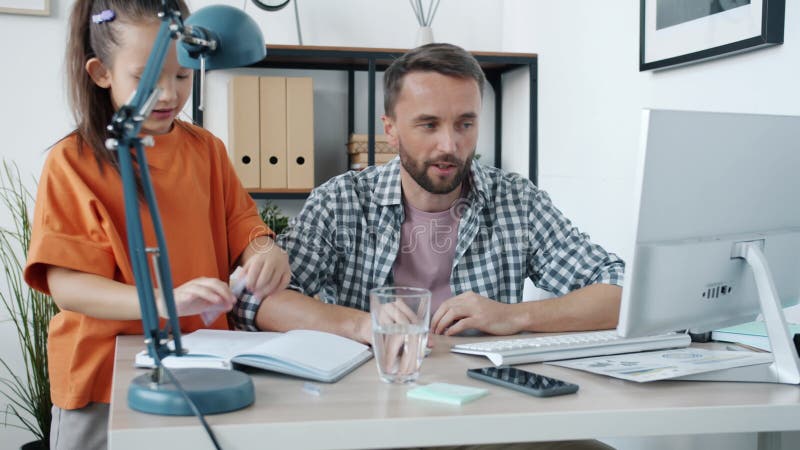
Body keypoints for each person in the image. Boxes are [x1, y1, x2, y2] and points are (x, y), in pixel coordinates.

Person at [23, 1, 290, 449]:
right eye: (146, 78)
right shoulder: (72, 161)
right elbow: (68, 283)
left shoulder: (206, 150)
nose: (168, 94)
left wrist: (265, 249)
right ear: (101, 72)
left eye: (182, 75)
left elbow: (244, 224)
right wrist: (166, 301)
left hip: (200, 365)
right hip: (103, 382)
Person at [233, 43, 624, 345]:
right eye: (428, 125)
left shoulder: (516, 202)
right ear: (391, 129)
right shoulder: (341, 201)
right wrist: (363, 324)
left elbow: (619, 290)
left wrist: (515, 316)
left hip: (487, 409)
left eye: (465, 124)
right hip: (371, 409)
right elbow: (257, 300)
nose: (449, 146)